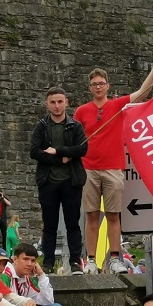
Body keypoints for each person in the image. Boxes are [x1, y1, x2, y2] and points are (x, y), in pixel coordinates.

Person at [75, 57, 153, 274]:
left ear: (108, 85)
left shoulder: (116, 105)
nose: (98, 87)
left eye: (101, 83)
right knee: (91, 215)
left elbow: (143, 93)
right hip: (89, 168)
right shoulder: (81, 111)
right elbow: (74, 140)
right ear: (90, 88)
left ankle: (115, 258)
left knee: (114, 215)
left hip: (113, 168)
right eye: (94, 84)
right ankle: (91, 260)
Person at [30, 86, 88, 274]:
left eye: (60, 102)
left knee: (73, 224)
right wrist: (59, 159)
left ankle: (75, 262)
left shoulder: (75, 126)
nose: (57, 106)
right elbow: (34, 151)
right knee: (49, 225)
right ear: (47, 104)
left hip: (71, 182)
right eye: (53, 102)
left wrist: (58, 150)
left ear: (66, 103)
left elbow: (82, 149)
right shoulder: (41, 126)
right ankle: (47, 263)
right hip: (48, 183)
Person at [1, 243, 66, 306]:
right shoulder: (5, 274)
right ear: (15, 259)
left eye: (33, 261)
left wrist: (41, 275)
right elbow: (3, 299)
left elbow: (48, 301)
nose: (29, 264)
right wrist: (26, 302)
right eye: (25, 259)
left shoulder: (27, 278)